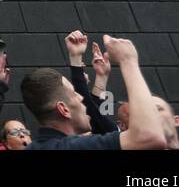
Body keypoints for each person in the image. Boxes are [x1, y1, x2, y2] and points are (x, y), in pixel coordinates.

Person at [21, 35, 166, 150]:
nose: (80, 97)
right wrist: (128, 60)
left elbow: (94, 112)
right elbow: (149, 136)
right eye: (74, 94)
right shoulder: (70, 146)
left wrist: (95, 73)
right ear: (64, 109)